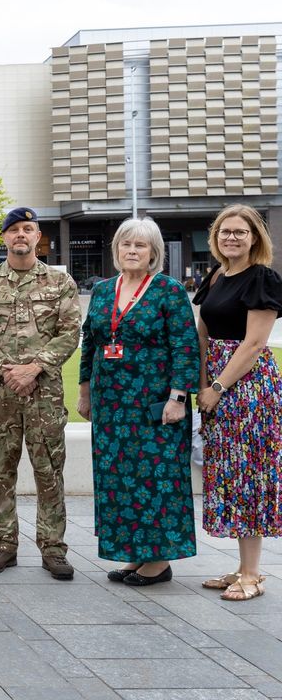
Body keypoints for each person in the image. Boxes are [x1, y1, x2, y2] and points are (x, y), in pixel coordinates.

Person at [78, 217, 199, 586]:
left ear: (153, 253)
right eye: (126, 244)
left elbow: (185, 346)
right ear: (116, 250)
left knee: (155, 479)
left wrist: (178, 397)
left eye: (140, 245)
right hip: (111, 404)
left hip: (155, 404)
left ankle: (159, 561)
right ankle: (133, 554)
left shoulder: (169, 291)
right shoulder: (102, 290)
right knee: (118, 480)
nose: (132, 250)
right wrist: (85, 391)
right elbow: (91, 342)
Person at [0, 207, 80, 579]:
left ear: (37, 237)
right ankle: (2, 544)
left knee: (49, 471)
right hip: (0, 396)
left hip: (44, 394)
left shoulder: (60, 283)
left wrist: (35, 367)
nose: (20, 235)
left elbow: (70, 332)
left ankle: (53, 547)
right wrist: (7, 371)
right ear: (3, 238)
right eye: (13, 229)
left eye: (27, 229)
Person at [192, 204, 282, 602]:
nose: (232, 238)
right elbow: (203, 334)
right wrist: (201, 384)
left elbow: (254, 344)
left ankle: (252, 573)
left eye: (240, 233)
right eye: (225, 231)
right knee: (229, 473)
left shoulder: (262, 278)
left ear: (255, 238)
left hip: (248, 390)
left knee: (249, 476)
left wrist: (218, 387)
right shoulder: (215, 276)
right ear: (216, 237)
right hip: (217, 385)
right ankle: (242, 567)